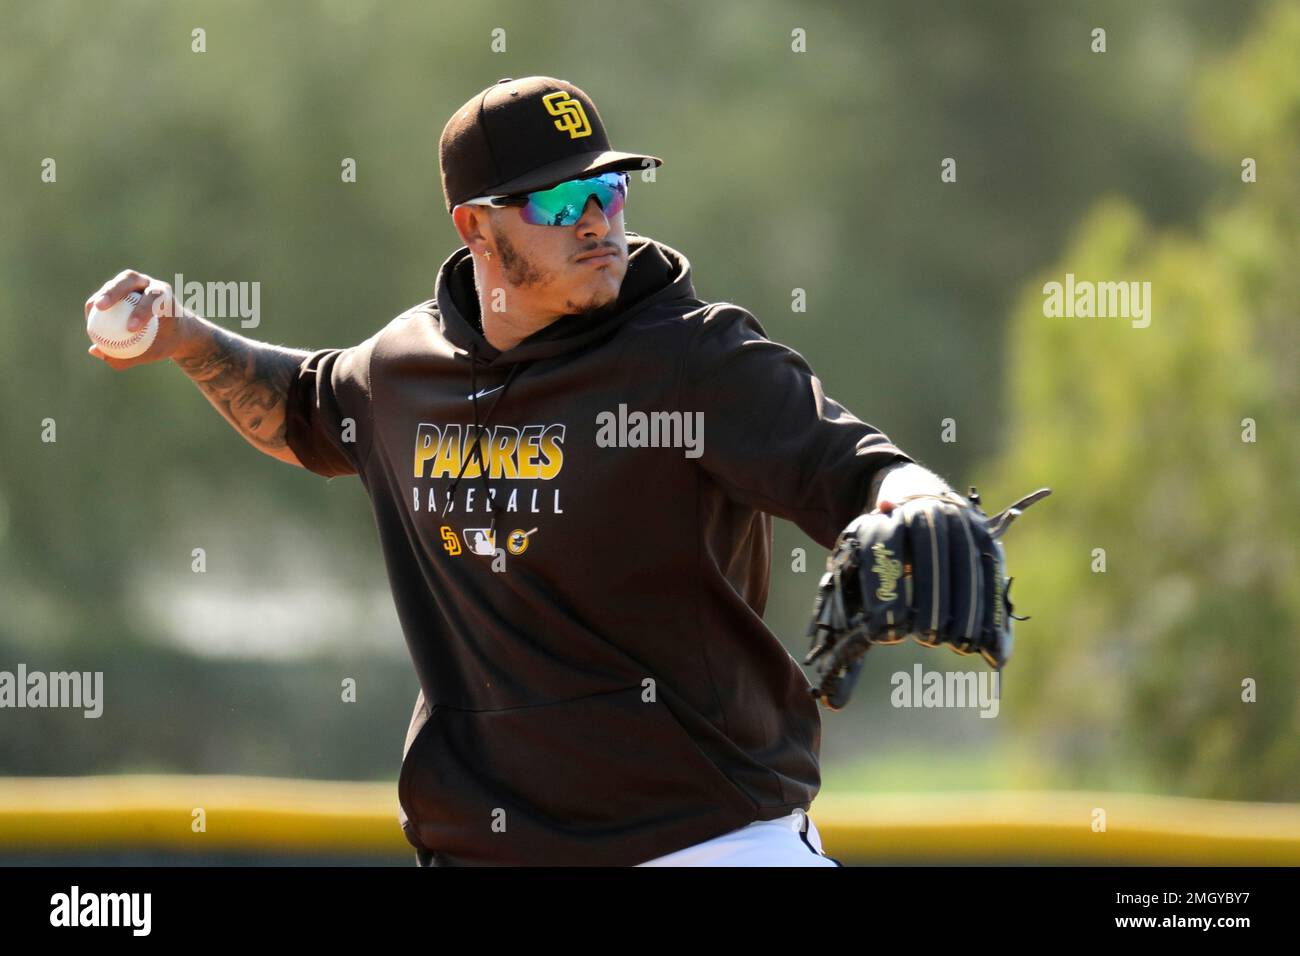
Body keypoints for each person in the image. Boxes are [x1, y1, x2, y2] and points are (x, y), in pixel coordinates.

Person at [85, 76, 964, 867]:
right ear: (475, 225)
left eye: (610, 190)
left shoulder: (692, 359)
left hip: (706, 840)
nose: (597, 221)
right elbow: (300, 405)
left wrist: (920, 503)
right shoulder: (403, 373)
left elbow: (851, 464)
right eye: (561, 200)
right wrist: (186, 338)